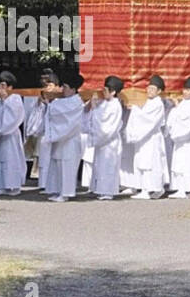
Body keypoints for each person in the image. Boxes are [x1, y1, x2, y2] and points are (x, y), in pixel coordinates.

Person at [123, 75, 170, 199]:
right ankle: (147, 188)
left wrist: (135, 110)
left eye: (153, 89)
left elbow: (148, 120)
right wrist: (137, 111)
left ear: (159, 91)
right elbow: (143, 116)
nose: (149, 91)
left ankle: (150, 189)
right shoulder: (150, 102)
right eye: (149, 88)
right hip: (144, 138)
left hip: (151, 138)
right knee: (141, 161)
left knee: (150, 164)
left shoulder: (158, 104)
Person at [43, 70, 86, 202]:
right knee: (57, 164)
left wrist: (49, 105)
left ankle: (66, 192)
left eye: (66, 87)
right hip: (61, 139)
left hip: (70, 139)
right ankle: (58, 190)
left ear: (73, 89)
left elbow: (63, 115)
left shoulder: (76, 102)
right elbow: (56, 110)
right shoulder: (62, 101)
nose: (63, 90)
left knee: (67, 165)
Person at [0, 70, 25, 196]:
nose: (0, 88)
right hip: (1, 136)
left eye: (3, 86)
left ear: (10, 87)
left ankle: (14, 186)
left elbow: (15, 116)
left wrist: (5, 101)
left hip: (11, 134)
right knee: (0, 159)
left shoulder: (15, 99)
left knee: (11, 159)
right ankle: (0, 185)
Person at [84, 75, 125, 200]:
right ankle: (99, 189)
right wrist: (95, 107)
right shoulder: (105, 103)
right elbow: (97, 117)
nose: (104, 92)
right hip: (103, 141)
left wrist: (95, 109)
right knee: (100, 165)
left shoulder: (115, 105)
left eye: (106, 90)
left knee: (109, 166)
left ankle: (108, 191)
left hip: (110, 140)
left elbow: (107, 124)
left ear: (113, 92)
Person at [166, 76, 190, 199]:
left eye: (188, 90)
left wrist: (177, 134)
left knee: (187, 165)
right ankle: (179, 188)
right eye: (184, 90)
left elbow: (188, 124)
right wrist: (177, 107)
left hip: (189, 140)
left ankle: (188, 188)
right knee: (178, 164)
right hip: (179, 141)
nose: (185, 92)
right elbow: (176, 117)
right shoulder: (183, 103)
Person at [23, 69, 60, 190]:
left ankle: (54, 184)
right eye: (45, 85)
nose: (47, 88)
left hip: (57, 134)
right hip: (43, 132)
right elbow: (34, 117)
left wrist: (48, 105)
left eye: (50, 85)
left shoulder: (60, 99)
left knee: (55, 160)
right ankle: (43, 183)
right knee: (43, 159)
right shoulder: (39, 99)